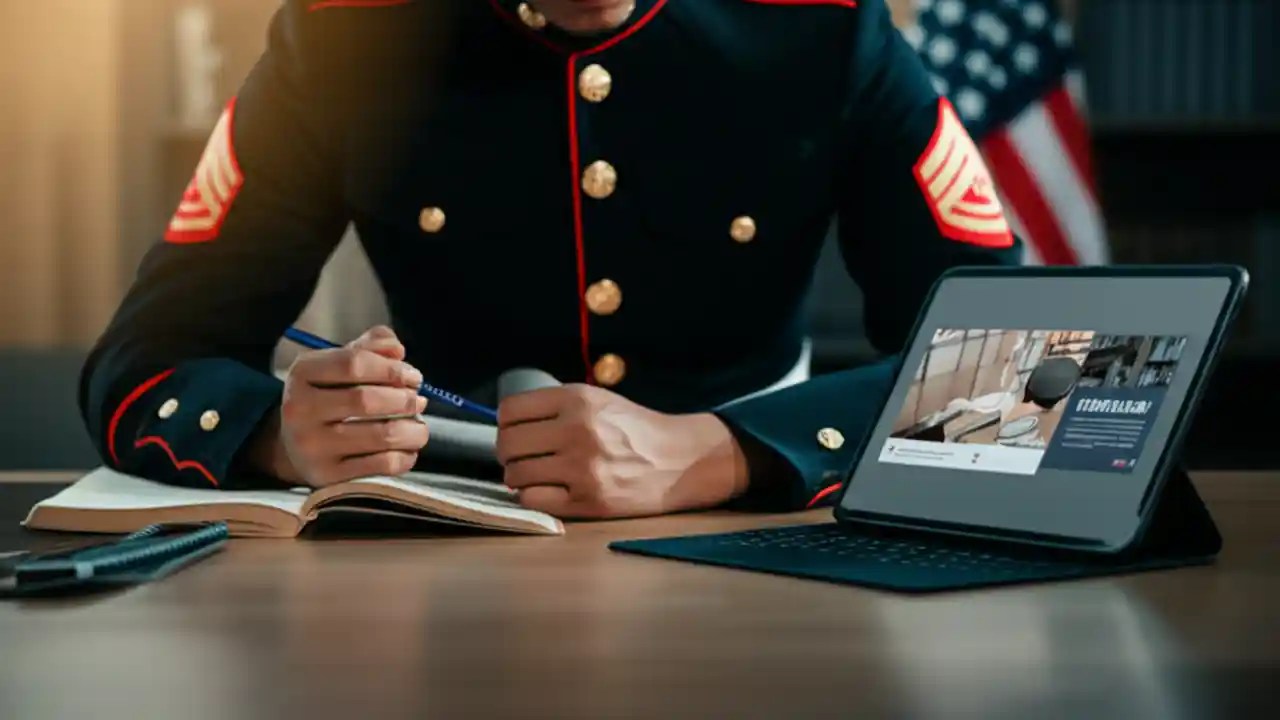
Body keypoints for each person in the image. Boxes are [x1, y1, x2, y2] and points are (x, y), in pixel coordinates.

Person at [80, 0, 1023, 519]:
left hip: (769, 531)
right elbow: (146, 355)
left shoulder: (824, 25)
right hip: (432, 537)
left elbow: (1015, 362)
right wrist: (276, 438)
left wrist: (724, 455)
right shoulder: (341, 34)